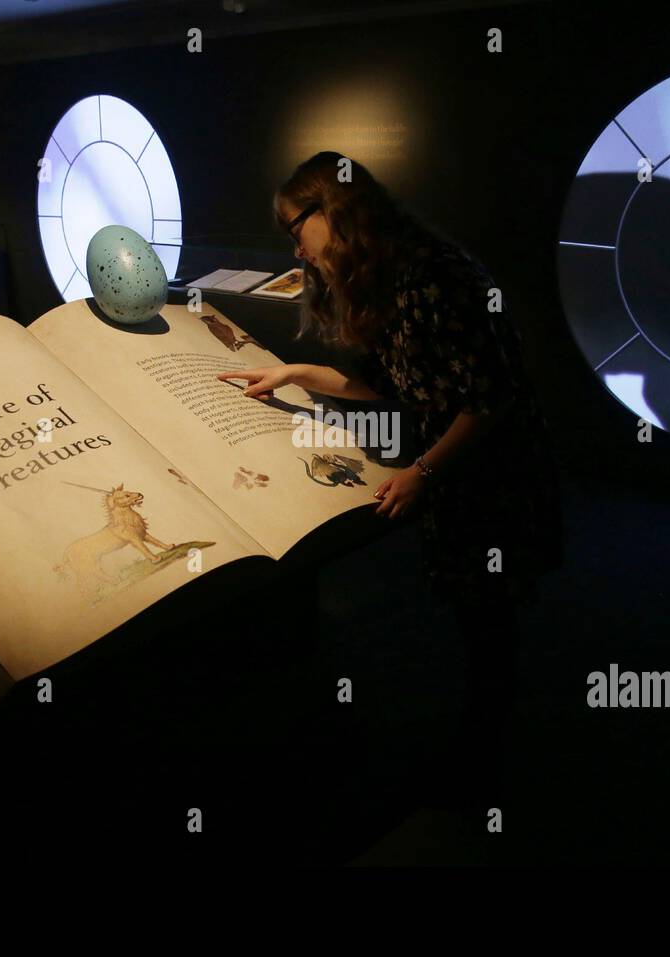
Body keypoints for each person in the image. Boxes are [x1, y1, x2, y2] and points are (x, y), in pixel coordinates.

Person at [217, 151, 565, 810]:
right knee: (478, 615)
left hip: (494, 473)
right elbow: (379, 384)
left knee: (491, 615)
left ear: (335, 209)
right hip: (456, 472)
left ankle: (489, 759)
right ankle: (484, 734)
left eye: (297, 226)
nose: (293, 243)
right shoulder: (389, 274)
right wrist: (289, 375)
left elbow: (490, 399)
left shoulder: (437, 277)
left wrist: (422, 471)